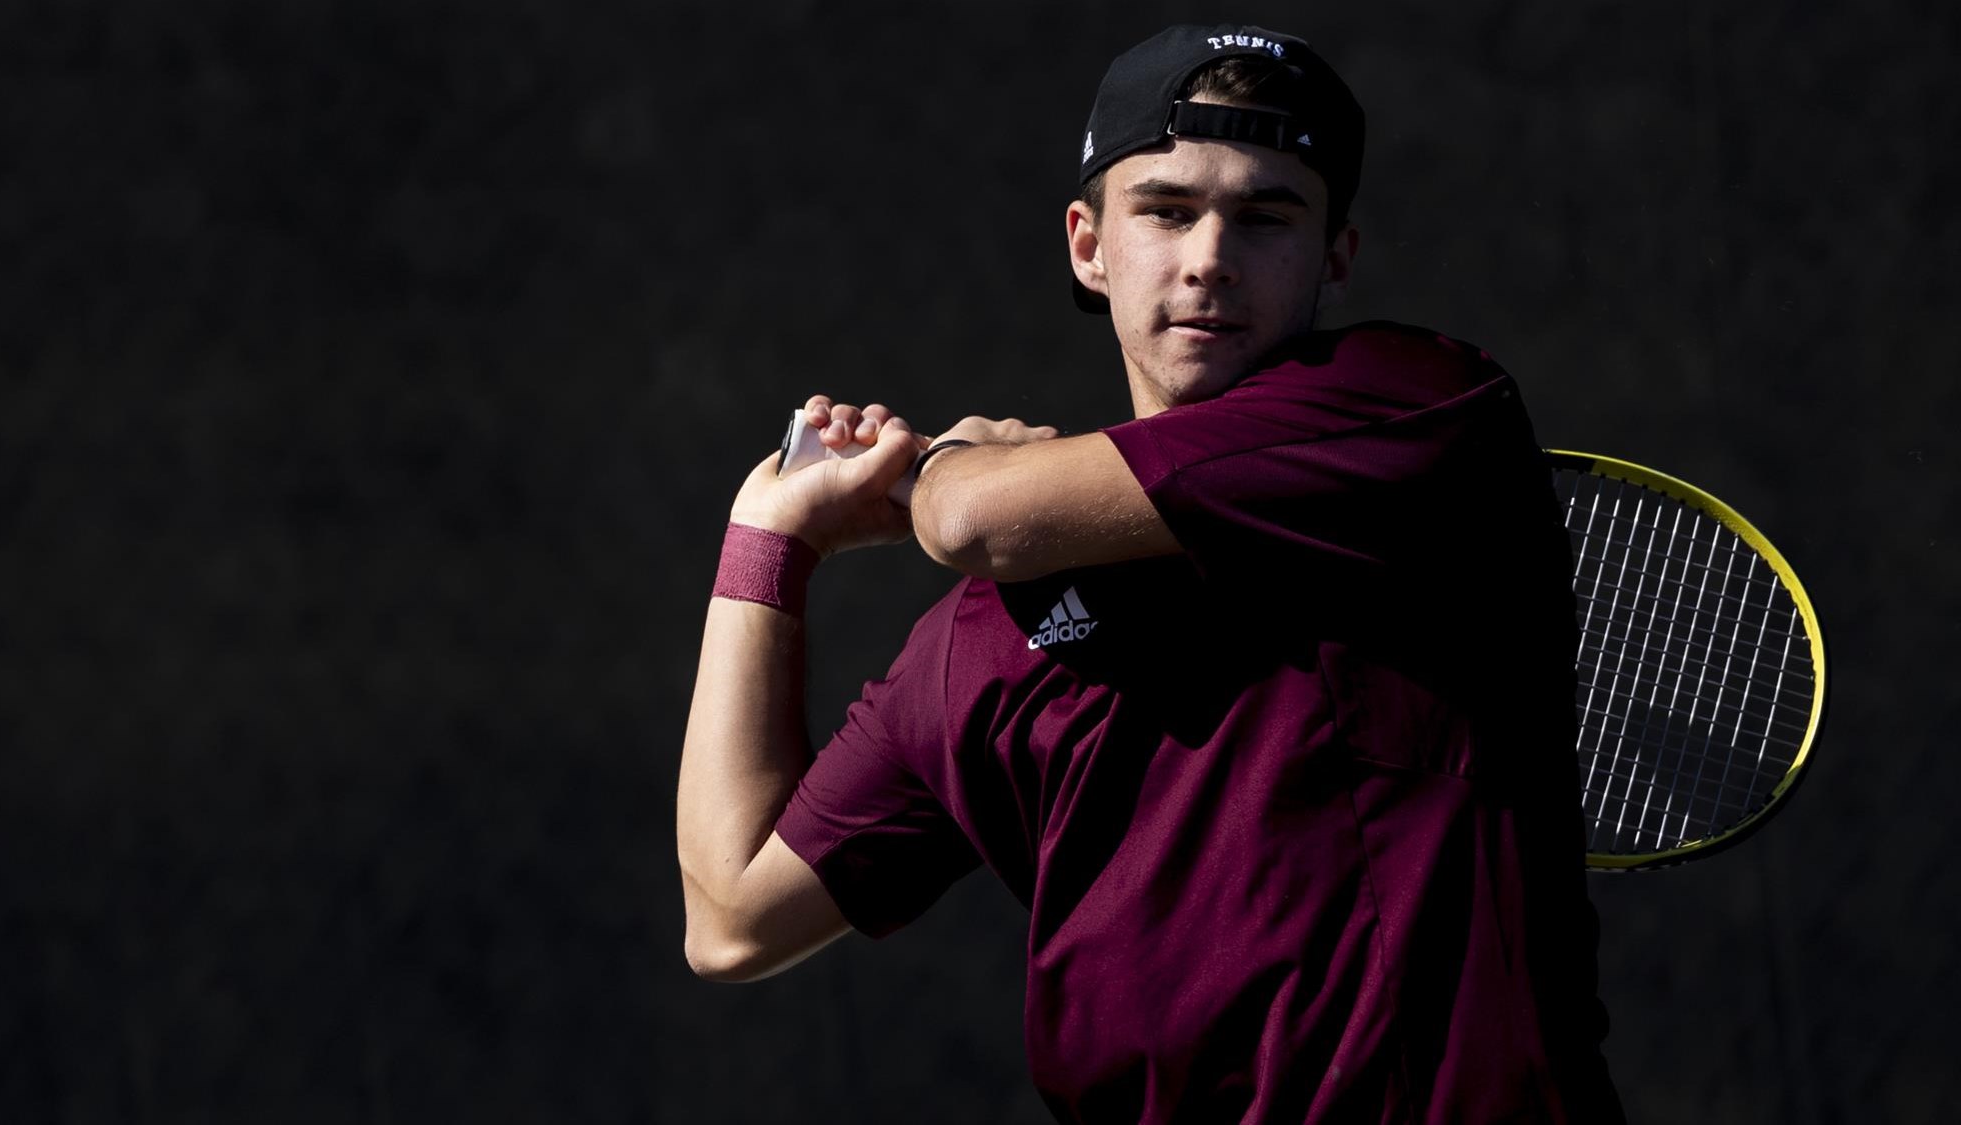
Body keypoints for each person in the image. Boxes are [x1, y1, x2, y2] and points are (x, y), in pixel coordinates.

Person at [676, 22, 1626, 1124]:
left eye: (1264, 217)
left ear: (1333, 259)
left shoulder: (1417, 406)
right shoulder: (974, 642)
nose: (1208, 256)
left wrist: (945, 467)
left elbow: (973, 516)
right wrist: (767, 542)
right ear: (1087, 245)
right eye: (1165, 210)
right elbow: (731, 917)